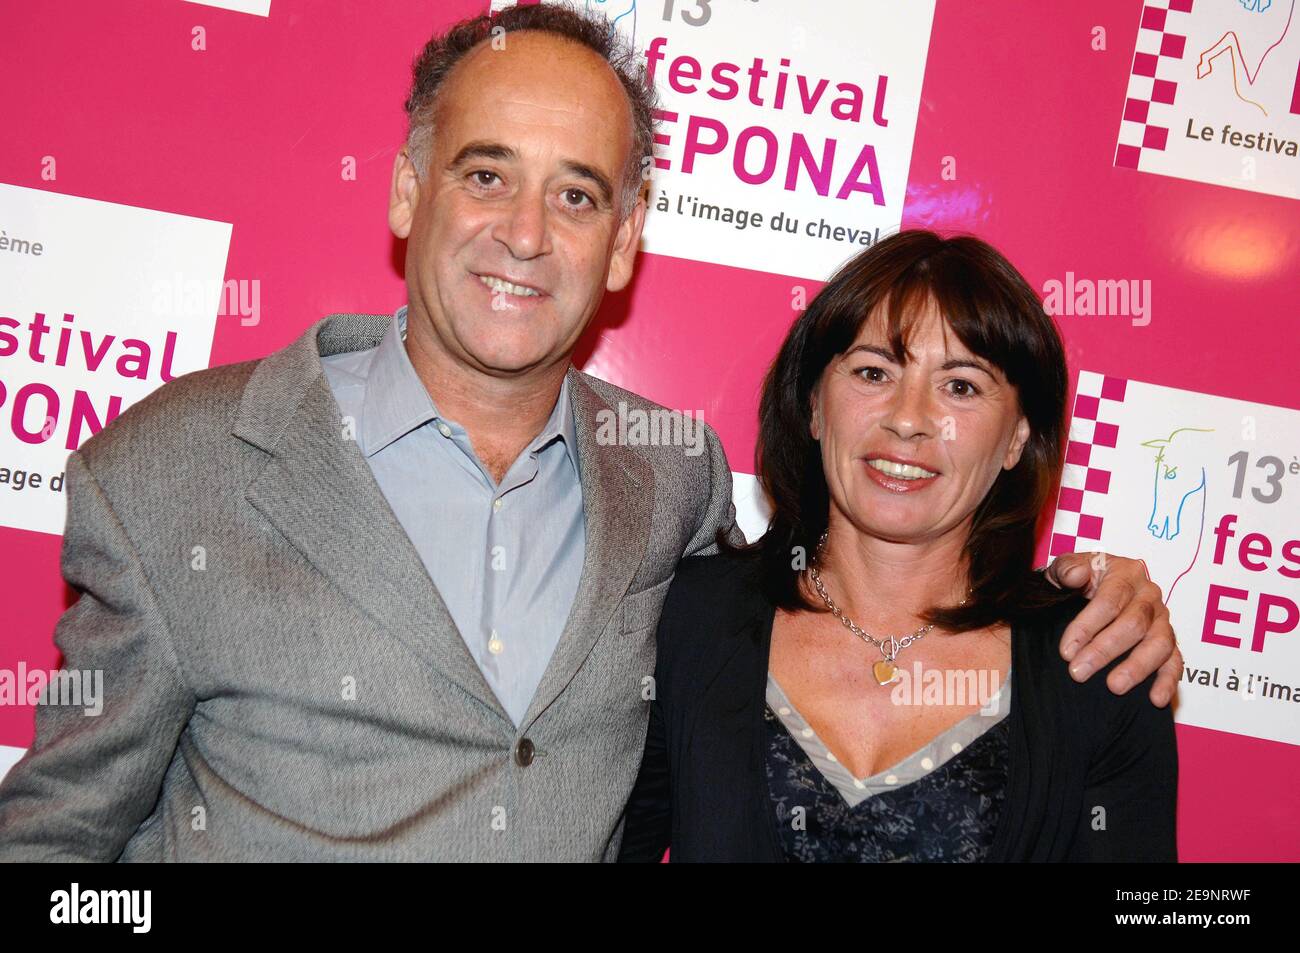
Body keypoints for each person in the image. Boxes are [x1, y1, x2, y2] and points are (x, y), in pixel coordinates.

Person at [0, 5, 1176, 862]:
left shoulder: (670, 479)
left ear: (621, 243)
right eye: (484, 174)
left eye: (575, 193)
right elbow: (57, 844)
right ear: (408, 192)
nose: (525, 233)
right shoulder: (169, 472)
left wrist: (1102, 586)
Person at [619, 231, 1179, 862]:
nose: (909, 418)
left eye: (961, 386)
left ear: (1018, 437)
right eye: (872, 372)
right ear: (813, 406)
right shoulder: (693, 617)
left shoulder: (1096, 656)